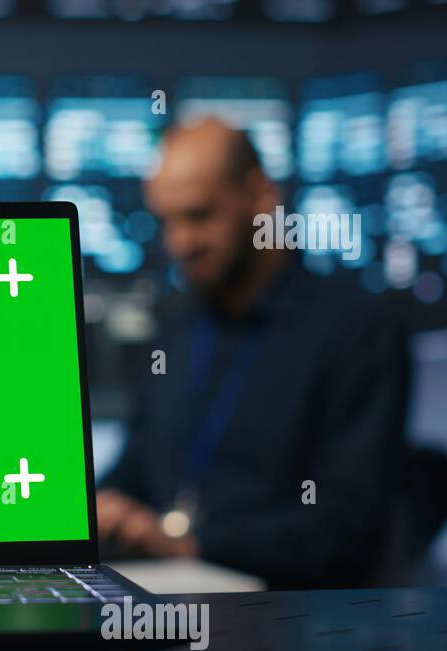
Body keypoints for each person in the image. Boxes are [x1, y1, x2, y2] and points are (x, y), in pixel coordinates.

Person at [97, 117, 411, 589]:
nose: (180, 243)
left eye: (200, 215)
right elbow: (138, 466)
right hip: (166, 592)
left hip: (289, 614)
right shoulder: (177, 325)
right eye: (166, 221)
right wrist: (102, 509)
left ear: (260, 196)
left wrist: (191, 544)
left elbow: (348, 528)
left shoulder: (355, 330)